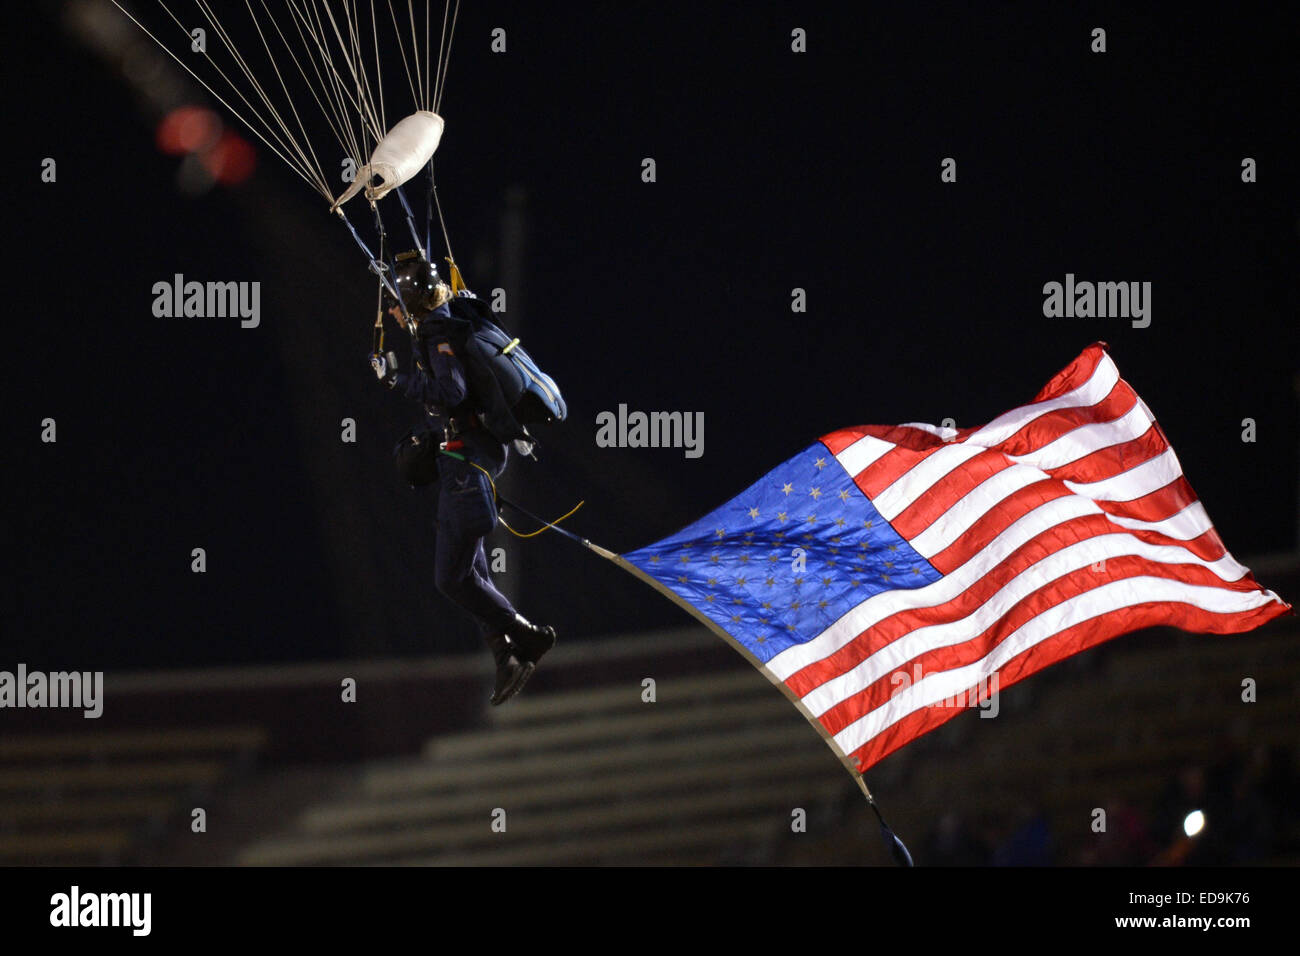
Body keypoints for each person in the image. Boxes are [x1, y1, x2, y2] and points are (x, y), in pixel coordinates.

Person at [369, 252, 556, 705]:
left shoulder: (437, 335)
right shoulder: (451, 314)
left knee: (450, 579)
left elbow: (450, 391)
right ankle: (504, 656)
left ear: (413, 301)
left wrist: (396, 379)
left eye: (397, 302)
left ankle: (526, 636)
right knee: (472, 569)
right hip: (471, 456)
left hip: (469, 461)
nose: (393, 311)